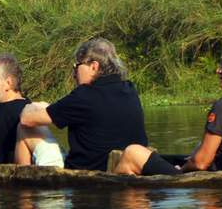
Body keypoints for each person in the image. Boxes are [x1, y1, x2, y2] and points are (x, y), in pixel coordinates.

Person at [114, 40, 222, 175]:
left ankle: (114, 207)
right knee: (163, 157)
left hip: (209, 179)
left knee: (132, 152)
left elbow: (201, 162)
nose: (218, 70)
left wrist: (181, 169)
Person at [20, 37, 147, 171]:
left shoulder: (84, 95)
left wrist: (29, 107)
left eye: (77, 66)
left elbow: (26, 120)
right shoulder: (130, 89)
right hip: (124, 166)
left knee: (23, 129)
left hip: (86, 171)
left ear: (94, 66)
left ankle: (22, 187)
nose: (74, 73)